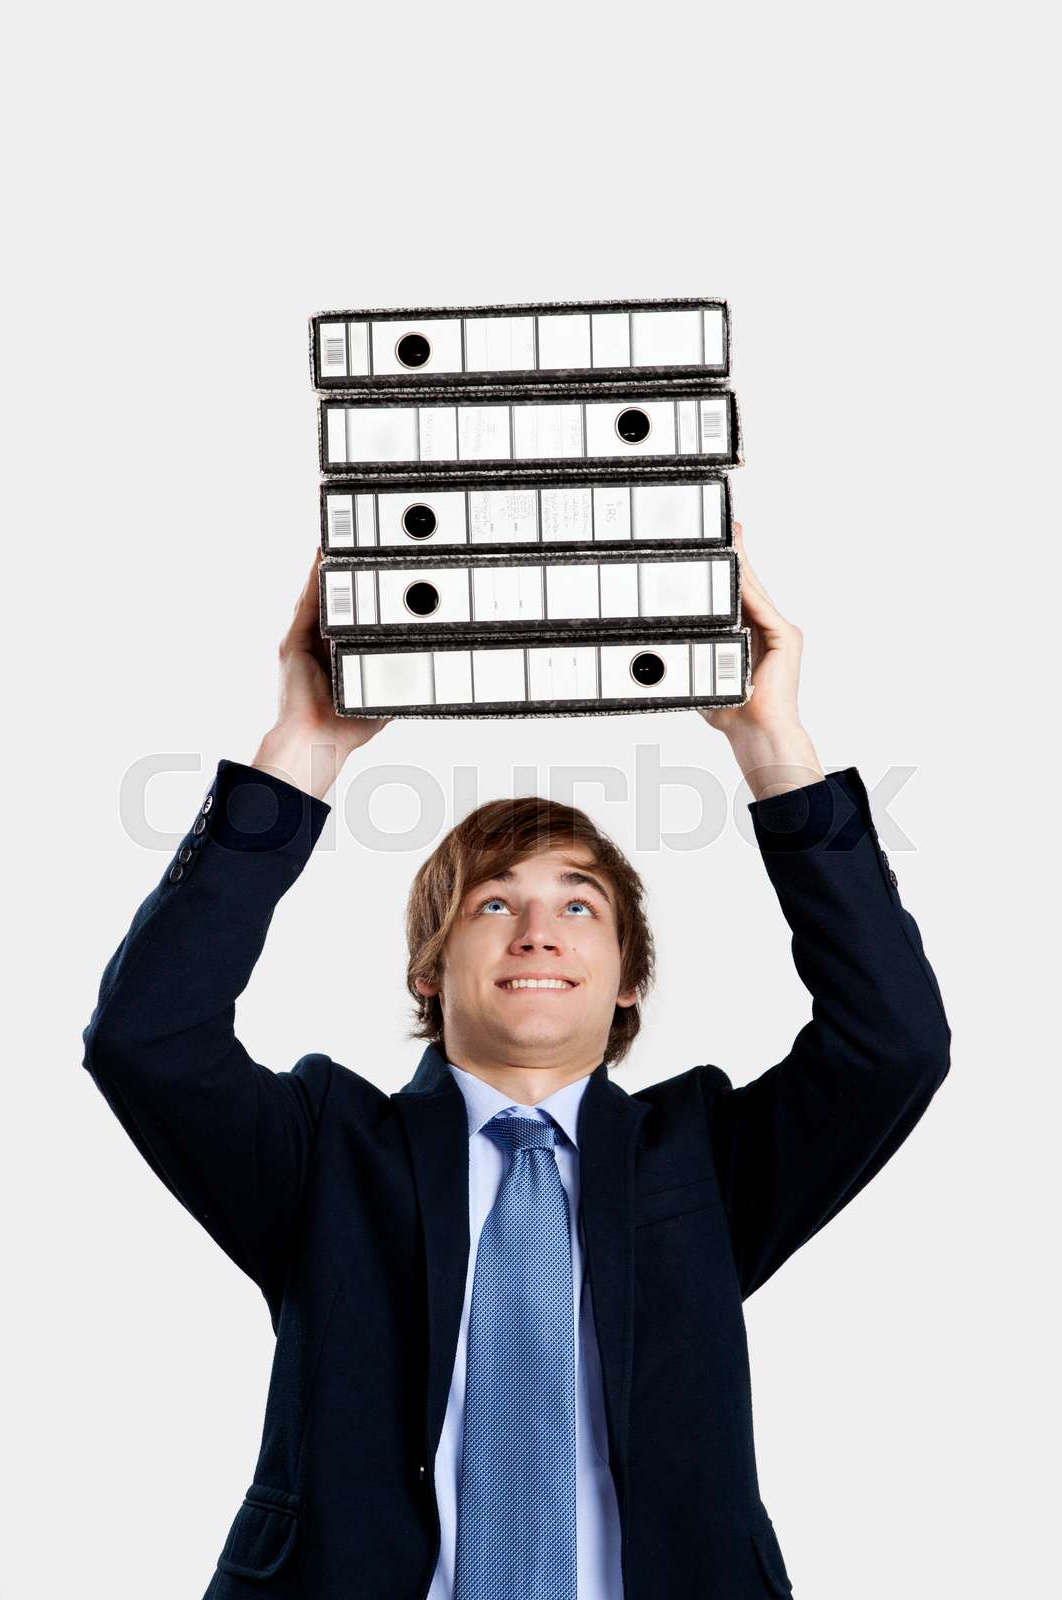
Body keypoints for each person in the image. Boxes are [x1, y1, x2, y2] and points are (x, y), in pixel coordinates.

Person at [81, 525, 951, 1599]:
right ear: (427, 970)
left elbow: (893, 1042)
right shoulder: (324, 1159)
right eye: (493, 904)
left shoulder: (705, 1165)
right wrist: (302, 749)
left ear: (628, 976)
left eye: (578, 907)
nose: (538, 933)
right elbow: (147, 1038)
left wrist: (770, 742)